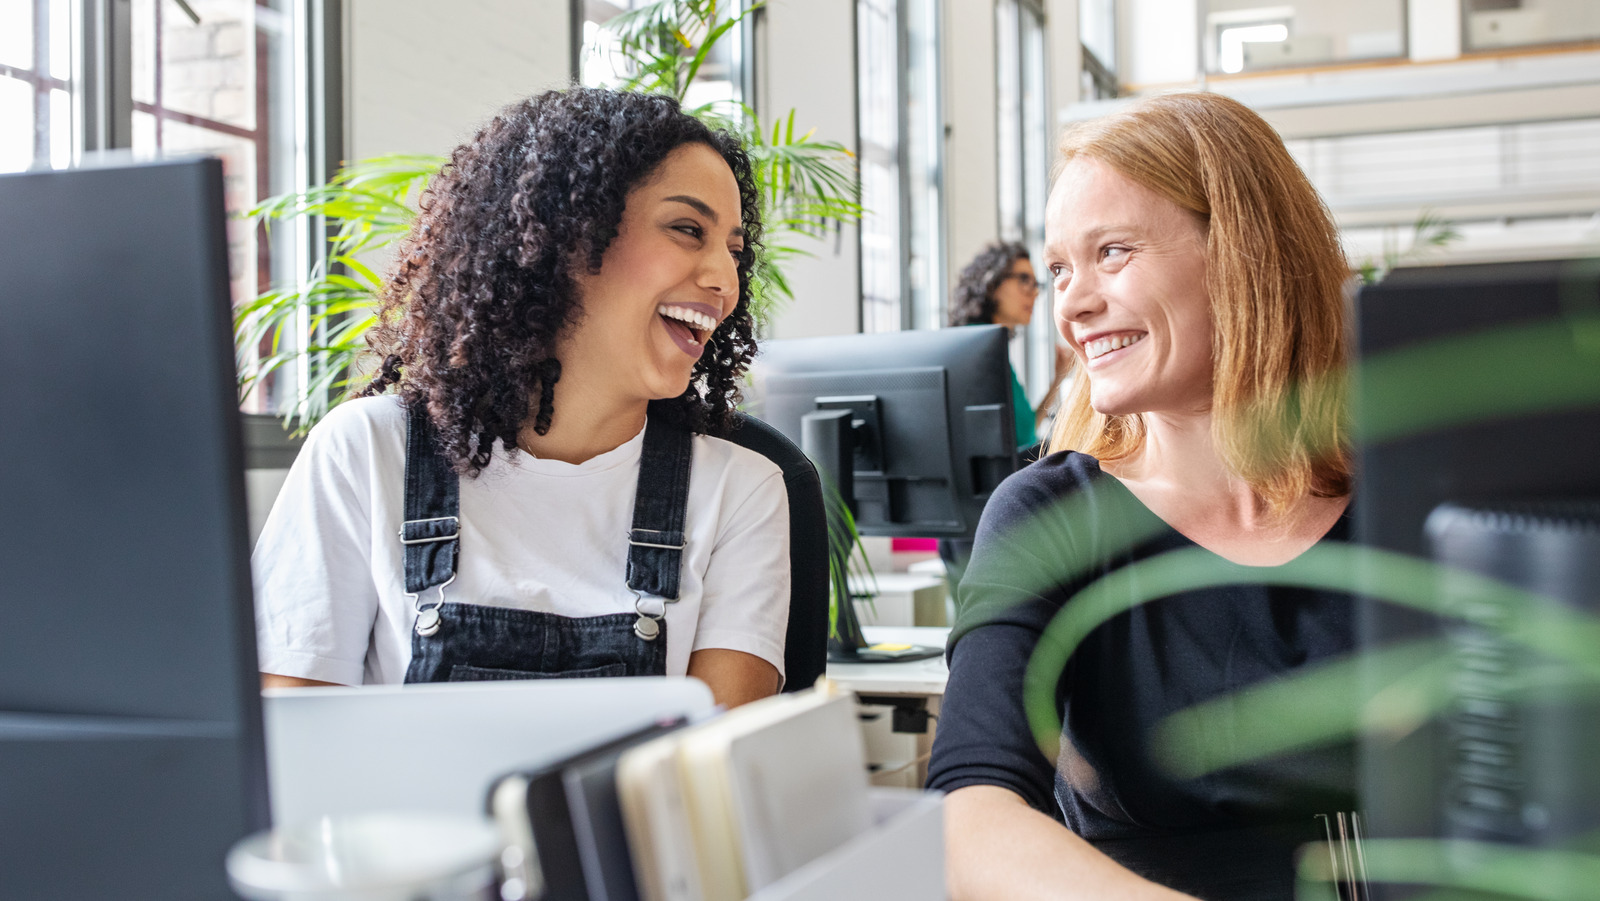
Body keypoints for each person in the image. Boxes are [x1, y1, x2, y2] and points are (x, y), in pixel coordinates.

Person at [927, 92, 1355, 900]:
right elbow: (967, 816)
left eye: (1112, 252)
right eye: (1060, 269)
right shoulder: (1049, 515)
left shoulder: (1408, 499)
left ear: (1244, 251)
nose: (1072, 304)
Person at [252, 88, 789, 708]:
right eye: (687, 230)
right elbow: (296, 756)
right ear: (565, 235)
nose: (724, 281)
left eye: (734, 251)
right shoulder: (365, 453)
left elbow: (716, 777)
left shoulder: (739, 491)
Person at [947, 241, 1065, 450]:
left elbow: (1023, 432)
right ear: (991, 282)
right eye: (1023, 279)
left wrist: (1059, 378)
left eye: (1036, 284)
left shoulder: (994, 351)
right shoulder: (972, 353)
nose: (1034, 293)